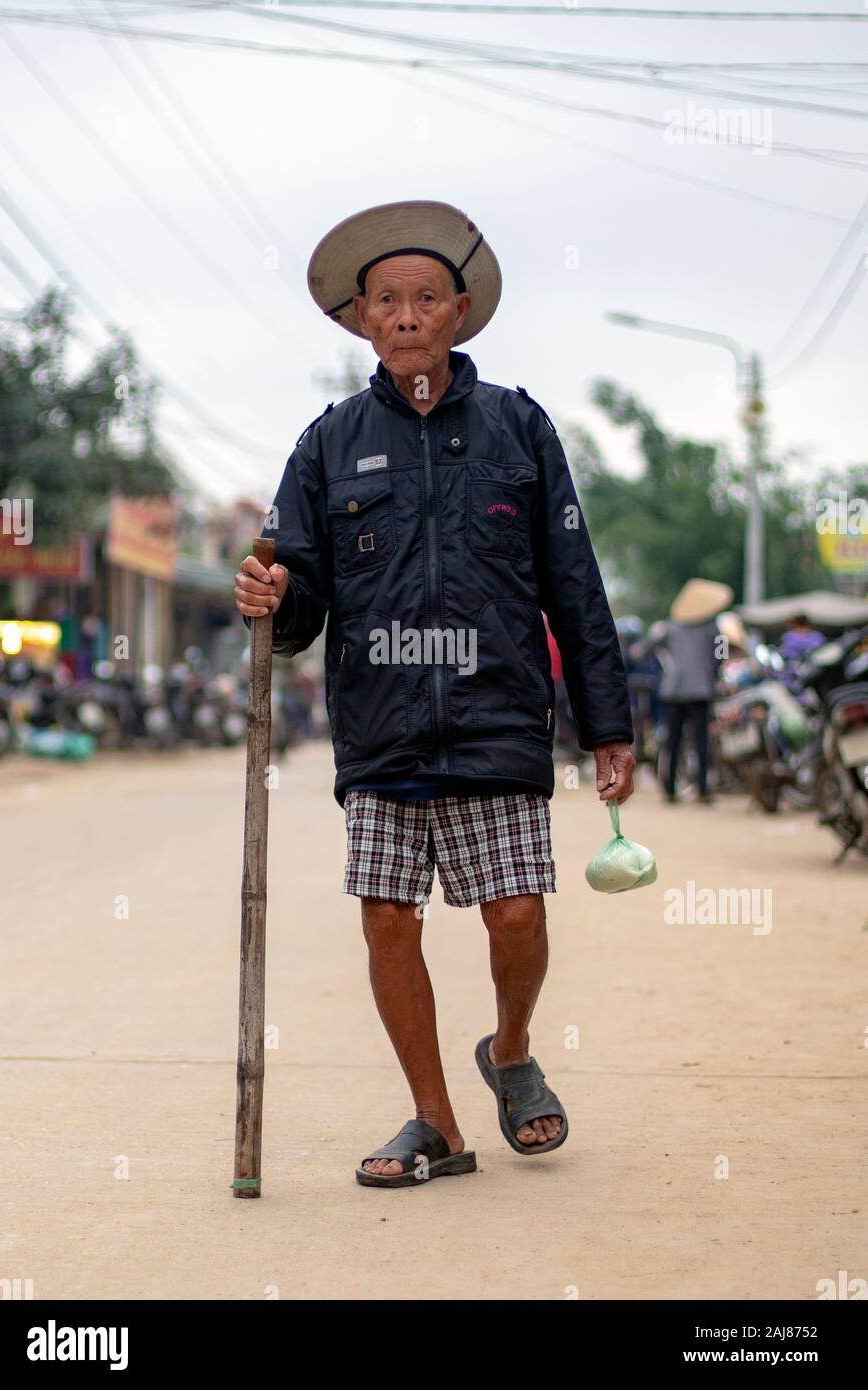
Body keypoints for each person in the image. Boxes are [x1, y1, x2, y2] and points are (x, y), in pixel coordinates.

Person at [235, 201, 635, 1188]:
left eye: (425, 298)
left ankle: (508, 1050)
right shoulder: (327, 444)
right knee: (386, 918)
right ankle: (437, 1123)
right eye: (387, 300)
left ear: (459, 311)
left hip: (500, 714)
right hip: (381, 725)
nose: (407, 314)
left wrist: (607, 723)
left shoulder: (519, 427)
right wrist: (274, 598)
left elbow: (572, 581)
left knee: (517, 918)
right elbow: (299, 600)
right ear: (358, 320)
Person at [657, 579, 731, 805]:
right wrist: (711, 671)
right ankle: (702, 790)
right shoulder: (712, 627)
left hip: (673, 691)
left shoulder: (670, 626)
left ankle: (669, 791)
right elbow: (723, 653)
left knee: (673, 742)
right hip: (700, 692)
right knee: (701, 743)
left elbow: (644, 648)